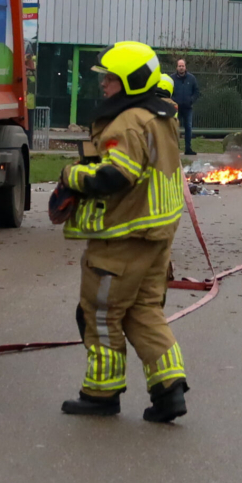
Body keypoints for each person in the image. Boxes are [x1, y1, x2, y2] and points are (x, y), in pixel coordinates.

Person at [49, 41, 189, 423]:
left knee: (99, 313)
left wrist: (73, 176)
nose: (104, 85)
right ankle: (169, 389)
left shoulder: (129, 122)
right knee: (143, 312)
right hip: (156, 236)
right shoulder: (161, 116)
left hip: (123, 238)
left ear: (129, 81)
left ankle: (101, 393)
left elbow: (116, 174)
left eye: (110, 79)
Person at [171, 59, 200, 155]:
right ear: (177, 67)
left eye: (182, 66)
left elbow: (196, 91)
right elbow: (169, 91)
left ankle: (188, 149)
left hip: (188, 108)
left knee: (188, 128)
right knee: (174, 128)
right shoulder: (172, 79)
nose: (181, 67)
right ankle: (174, 149)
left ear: (185, 67)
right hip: (176, 108)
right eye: (179, 66)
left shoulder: (191, 78)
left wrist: (191, 100)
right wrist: (173, 101)